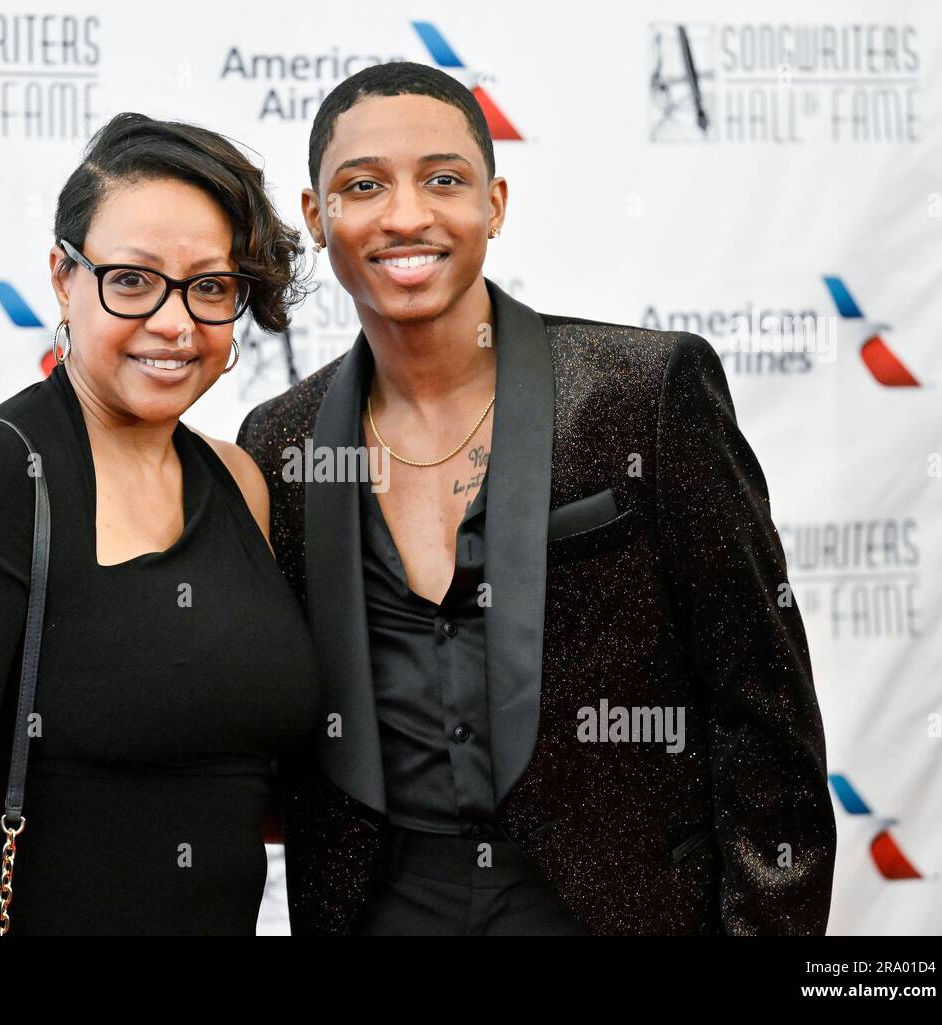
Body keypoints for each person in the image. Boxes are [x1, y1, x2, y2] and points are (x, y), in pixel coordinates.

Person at [237, 61, 836, 935]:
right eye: (363, 186)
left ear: (496, 203)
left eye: (444, 179)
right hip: (379, 908)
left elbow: (765, 713)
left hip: (616, 909)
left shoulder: (642, 392)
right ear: (317, 216)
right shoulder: (280, 441)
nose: (406, 214)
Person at [0, 112, 321, 935]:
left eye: (210, 287)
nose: (175, 323)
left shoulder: (240, 481)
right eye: (132, 279)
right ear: (63, 277)